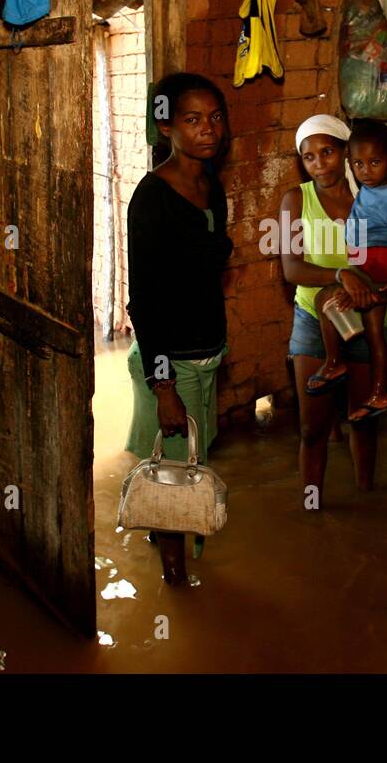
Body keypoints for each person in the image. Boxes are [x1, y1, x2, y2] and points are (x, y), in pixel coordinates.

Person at [125, 72, 233, 586]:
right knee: (176, 480)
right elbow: (144, 301)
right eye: (192, 120)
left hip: (208, 350)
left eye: (214, 118)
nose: (208, 130)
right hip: (171, 359)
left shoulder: (211, 184)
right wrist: (164, 388)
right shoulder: (152, 199)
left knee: (191, 458)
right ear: (165, 125)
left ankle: (163, 537)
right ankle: (177, 585)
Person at [280, 115, 387, 506]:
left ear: (346, 151)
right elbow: (291, 268)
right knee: (312, 429)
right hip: (314, 321)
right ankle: (312, 507)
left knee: (363, 421)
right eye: (309, 157)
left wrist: (382, 286)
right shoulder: (295, 200)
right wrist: (342, 273)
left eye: (327, 152)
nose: (320, 164)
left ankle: (366, 502)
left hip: (368, 318)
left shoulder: (377, 197)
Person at [306, 120, 387, 423]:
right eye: (358, 163)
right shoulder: (373, 188)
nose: (365, 170)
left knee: (326, 301)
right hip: (367, 264)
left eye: (374, 162)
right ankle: (379, 393)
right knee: (374, 334)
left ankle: (333, 363)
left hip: (378, 266)